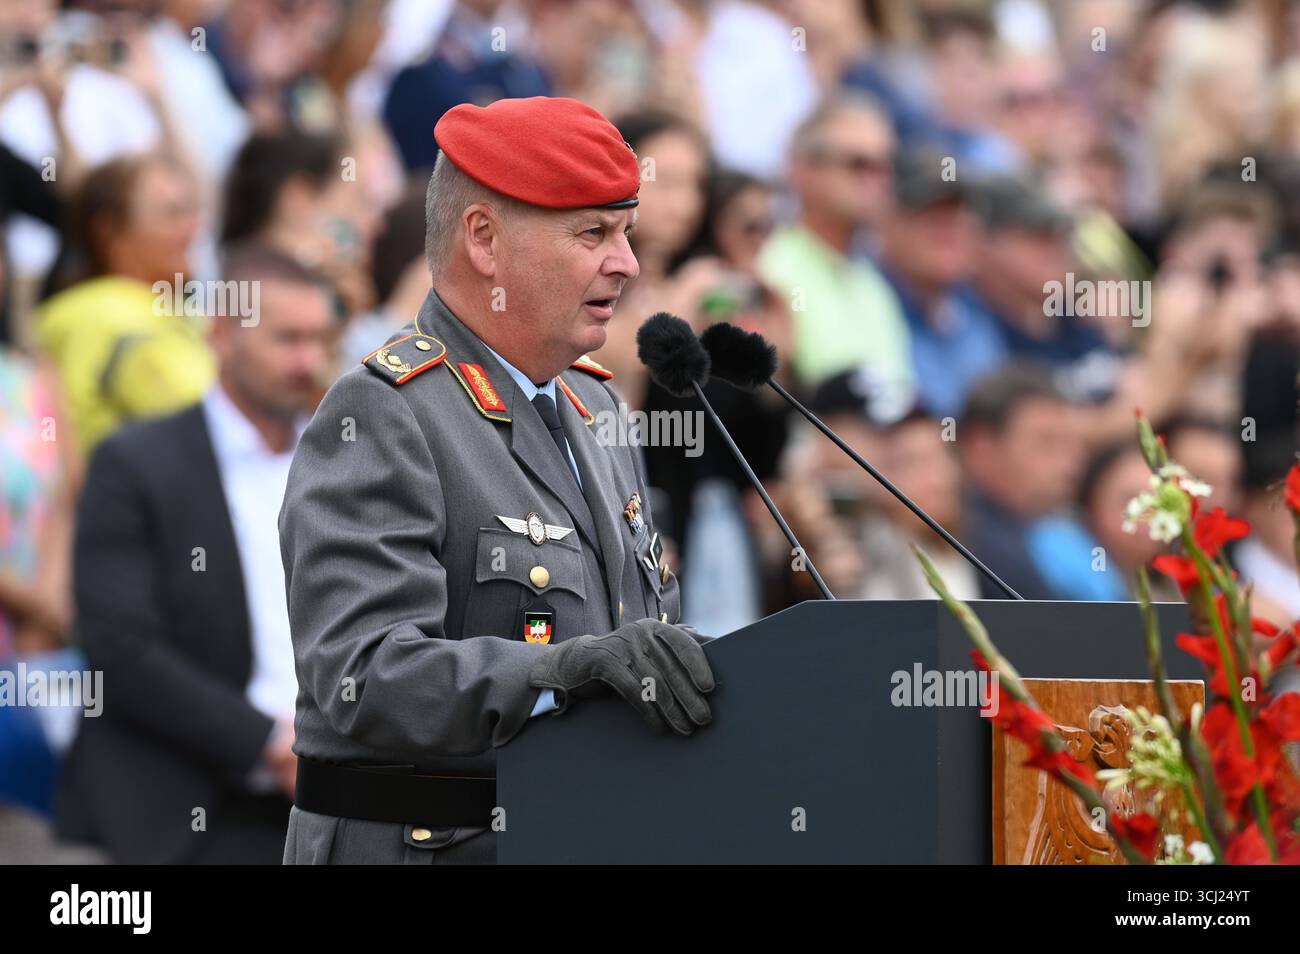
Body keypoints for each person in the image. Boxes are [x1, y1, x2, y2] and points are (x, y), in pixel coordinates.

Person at [278, 96, 715, 865]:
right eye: (593, 233)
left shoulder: (596, 404)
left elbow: (652, 634)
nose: (628, 263)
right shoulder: (386, 411)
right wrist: (556, 671)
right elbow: (363, 675)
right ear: (484, 239)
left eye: (627, 232)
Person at [56, 245, 340, 864]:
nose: (309, 361)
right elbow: (119, 646)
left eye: (321, 339)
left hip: (337, 796)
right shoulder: (136, 463)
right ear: (221, 334)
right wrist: (270, 743)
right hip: (185, 803)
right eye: (287, 339)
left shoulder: (342, 460)